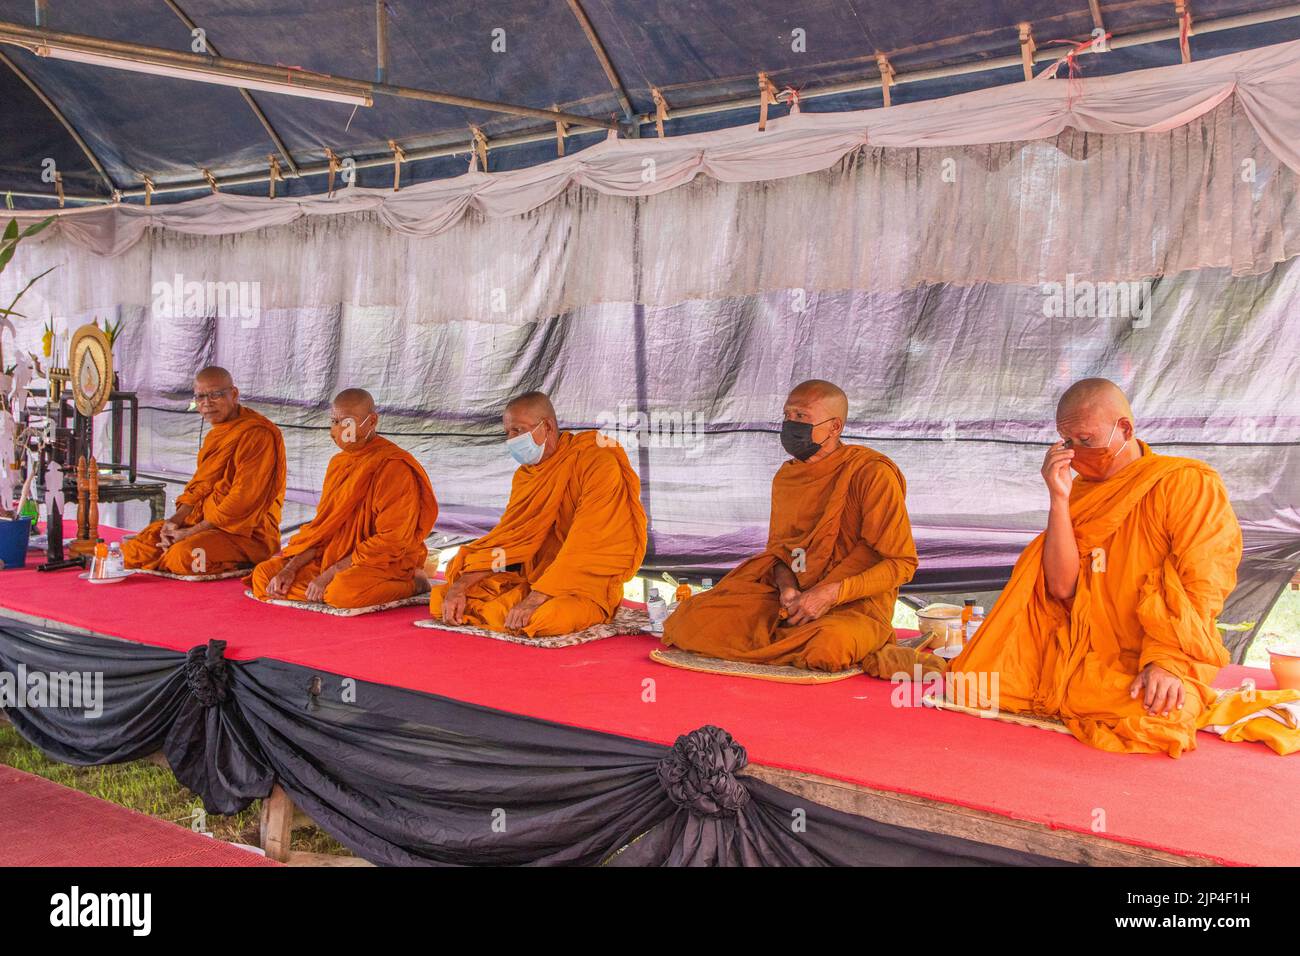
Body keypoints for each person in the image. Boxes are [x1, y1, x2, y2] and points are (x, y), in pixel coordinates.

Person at [429, 391, 646, 638]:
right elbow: (509, 541)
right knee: (443, 598)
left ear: (548, 427)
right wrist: (460, 586)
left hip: (583, 585)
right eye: (508, 432)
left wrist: (536, 598)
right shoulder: (527, 475)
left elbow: (588, 544)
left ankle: (524, 609)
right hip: (534, 580)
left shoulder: (597, 462)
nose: (511, 439)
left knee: (542, 619)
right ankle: (504, 607)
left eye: (518, 430)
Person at [249, 388, 437, 608]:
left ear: (372, 421)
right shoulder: (338, 464)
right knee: (264, 576)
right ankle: (322, 587)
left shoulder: (393, 466)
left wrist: (330, 573)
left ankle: (414, 584)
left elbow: (392, 541)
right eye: (334, 422)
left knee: (341, 593)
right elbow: (324, 530)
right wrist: (290, 569)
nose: (337, 430)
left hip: (381, 561)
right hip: (334, 555)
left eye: (347, 422)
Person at [123, 366, 284, 576]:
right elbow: (200, 487)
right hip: (203, 523)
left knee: (181, 557)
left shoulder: (257, 435)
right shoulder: (217, 435)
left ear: (234, 394)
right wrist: (175, 522)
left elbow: (242, 501)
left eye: (215, 395)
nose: (206, 404)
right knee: (137, 549)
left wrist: (190, 533)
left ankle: (242, 562)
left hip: (245, 532)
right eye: (200, 397)